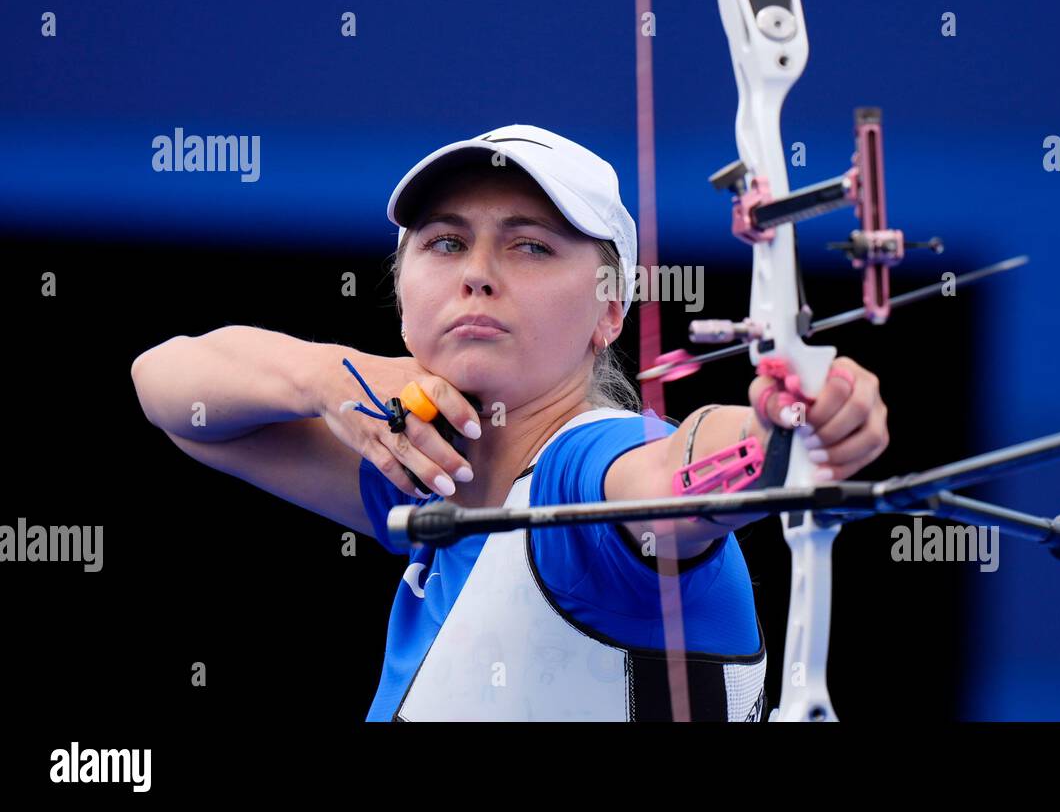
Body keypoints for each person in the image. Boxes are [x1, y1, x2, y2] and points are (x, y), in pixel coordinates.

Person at [130, 123, 889, 721]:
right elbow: (174, 396)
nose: (478, 271)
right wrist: (331, 380)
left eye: (530, 245)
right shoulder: (428, 479)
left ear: (609, 310)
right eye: (446, 241)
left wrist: (784, 431)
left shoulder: (590, 465)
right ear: (403, 300)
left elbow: (677, 471)